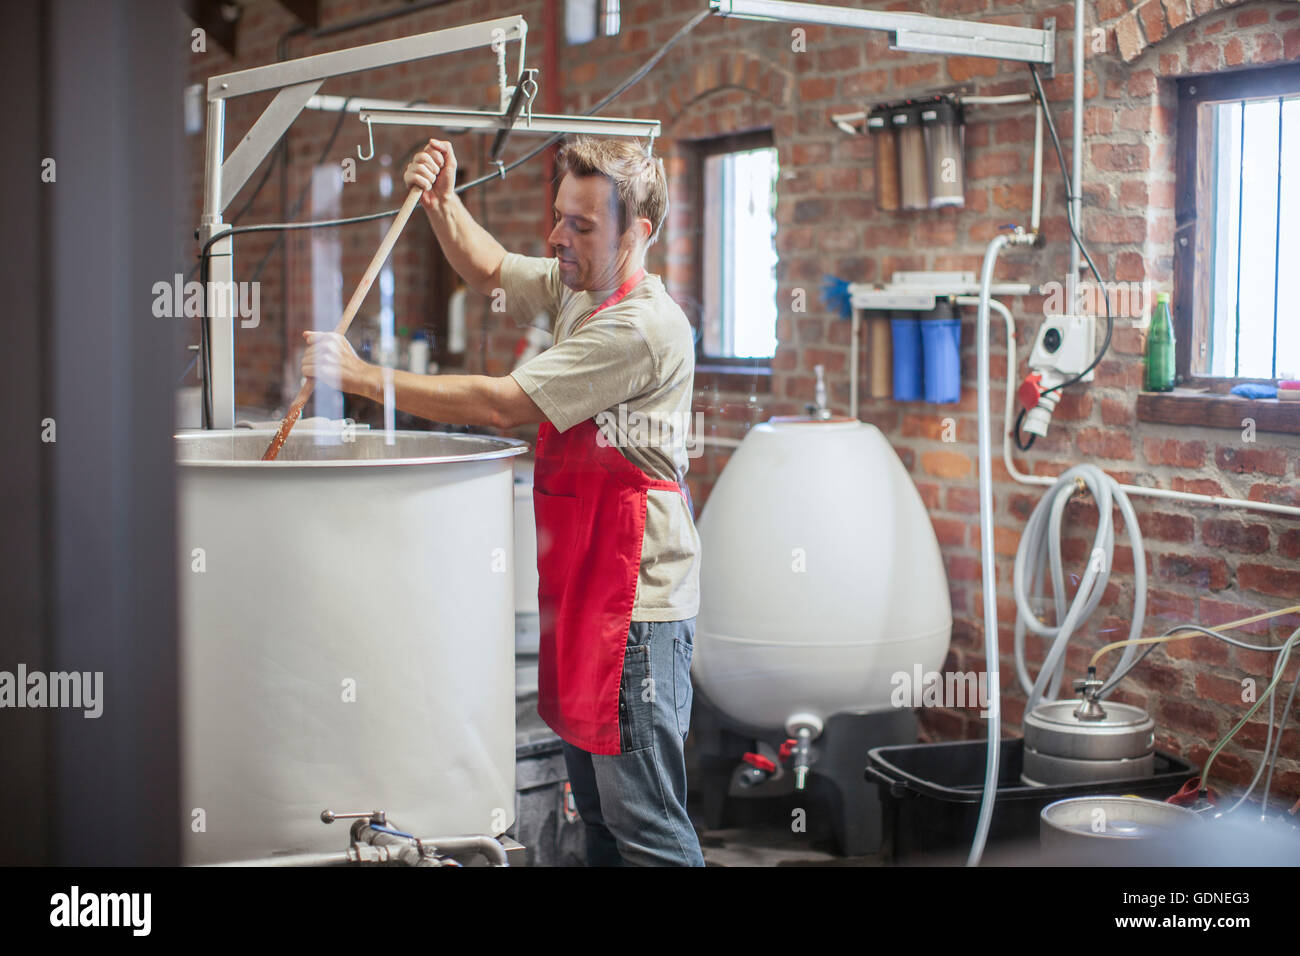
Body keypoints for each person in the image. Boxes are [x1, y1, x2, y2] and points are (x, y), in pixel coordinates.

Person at [300, 136, 704, 867]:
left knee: (649, 832)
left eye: (580, 225)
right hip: (590, 591)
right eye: (559, 218)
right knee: (603, 830)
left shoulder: (640, 326)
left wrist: (362, 377)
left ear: (637, 233)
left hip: (635, 609)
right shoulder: (580, 288)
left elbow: (500, 404)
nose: (557, 238)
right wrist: (443, 202)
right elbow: (487, 266)